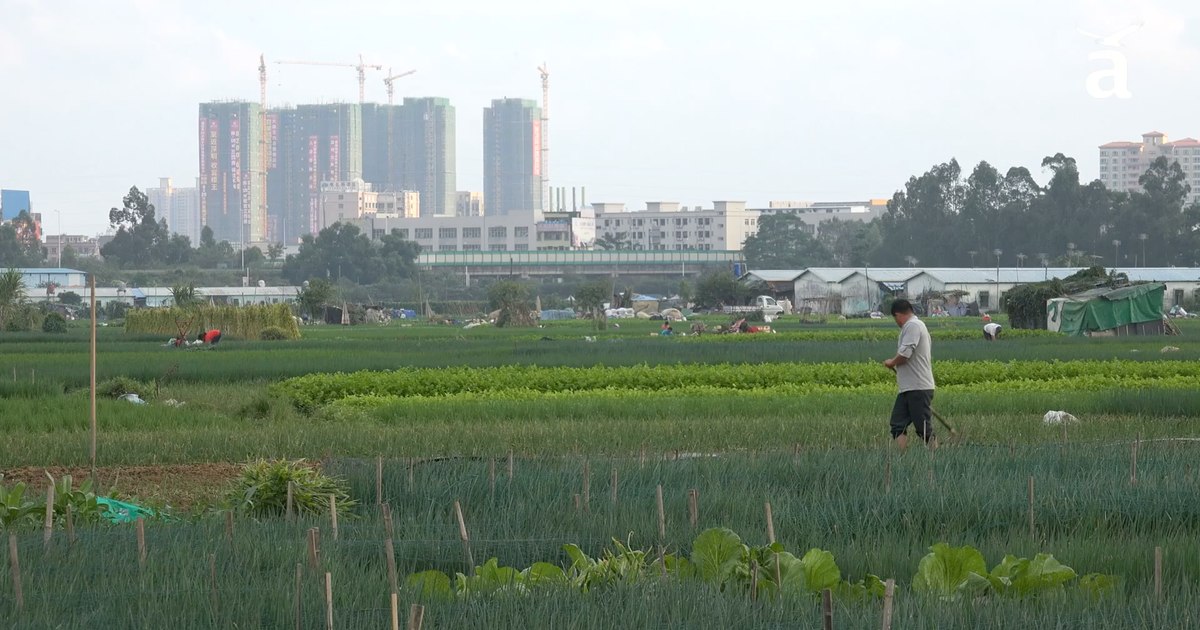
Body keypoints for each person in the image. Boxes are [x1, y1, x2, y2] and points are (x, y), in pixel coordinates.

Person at [882, 299, 936, 450]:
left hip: (918, 387)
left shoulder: (913, 326)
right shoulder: (914, 326)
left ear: (898, 315)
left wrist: (892, 362)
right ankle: (902, 457)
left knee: (923, 428)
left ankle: (936, 455)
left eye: (895, 319)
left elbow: (905, 354)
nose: (897, 322)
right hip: (908, 387)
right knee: (897, 424)